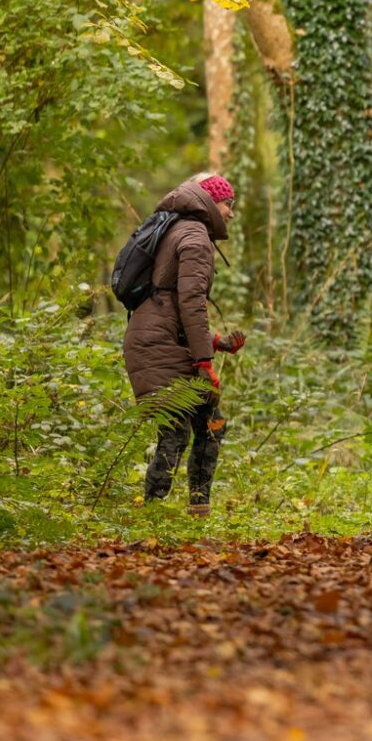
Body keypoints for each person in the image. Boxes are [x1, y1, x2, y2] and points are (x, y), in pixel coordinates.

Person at [123, 174, 244, 516]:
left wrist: (216, 342)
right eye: (227, 204)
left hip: (154, 340)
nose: (231, 213)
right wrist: (205, 362)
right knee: (185, 428)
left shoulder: (182, 230)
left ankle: (184, 509)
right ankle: (157, 512)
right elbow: (190, 301)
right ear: (211, 204)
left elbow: (173, 305)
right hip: (160, 346)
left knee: (201, 424)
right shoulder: (194, 236)